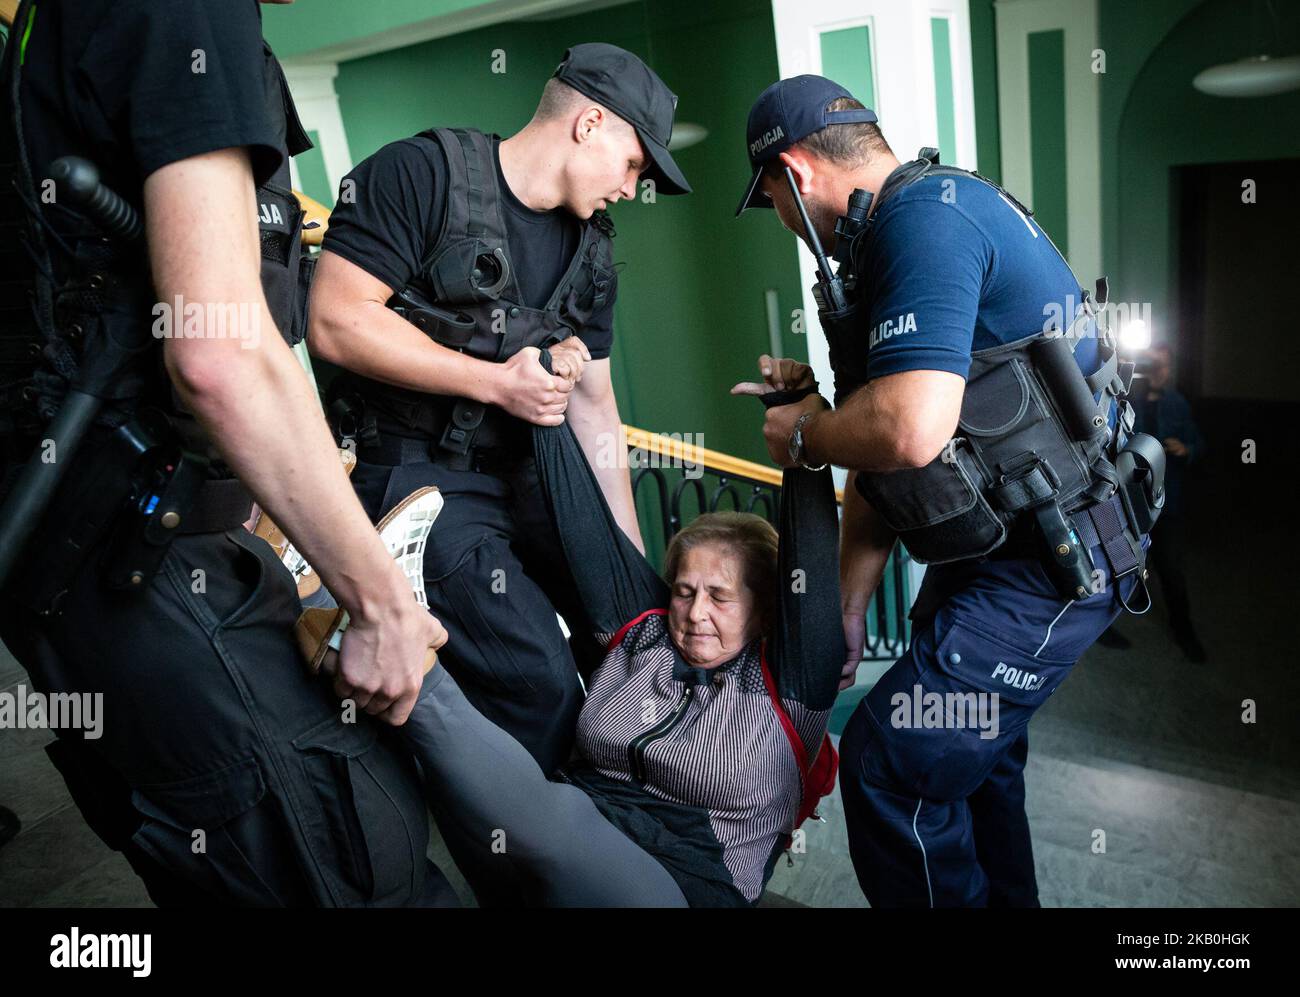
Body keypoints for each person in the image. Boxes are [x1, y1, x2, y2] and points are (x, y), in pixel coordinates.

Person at [0, 0, 452, 906]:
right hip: (146, 558)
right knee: (354, 868)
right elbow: (216, 352)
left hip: (76, 566)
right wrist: (382, 603)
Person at [734, 76, 1156, 907]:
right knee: (978, 766)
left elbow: (908, 429)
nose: (783, 221)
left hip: (1055, 562)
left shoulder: (925, 219)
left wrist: (805, 435)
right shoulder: (887, 238)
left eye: (771, 202)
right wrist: (851, 608)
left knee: (893, 764)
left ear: (795, 172)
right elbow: (886, 453)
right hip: (996, 548)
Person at [309, 43, 691, 776]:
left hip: (530, 472)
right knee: (540, 682)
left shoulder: (593, 249)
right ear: (590, 123)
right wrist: (491, 382)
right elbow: (335, 318)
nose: (631, 186)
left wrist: (627, 558)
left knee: (627, 633)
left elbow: (596, 409)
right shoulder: (419, 175)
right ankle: (545, 856)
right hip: (418, 479)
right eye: (635, 164)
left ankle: (636, 828)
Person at [379, 389, 845, 907]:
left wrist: (802, 424)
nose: (694, 614)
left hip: (689, 875)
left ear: (763, 612)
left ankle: (397, 631)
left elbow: (817, 571)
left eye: (719, 598)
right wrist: (546, 401)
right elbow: (585, 525)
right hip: (583, 824)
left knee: (555, 824)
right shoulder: (644, 634)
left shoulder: (790, 686)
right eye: (685, 592)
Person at [1098, 343, 1205, 661]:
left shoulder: (1177, 404)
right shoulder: (1128, 398)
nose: (1158, 371)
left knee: (1171, 568)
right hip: (1127, 500)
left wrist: (1185, 449)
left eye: (1164, 365)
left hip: (1165, 502)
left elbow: (1199, 443)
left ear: (1170, 369)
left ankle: (1183, 629)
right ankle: (1100, 624)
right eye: (1152, 364)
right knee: (1114, 562)